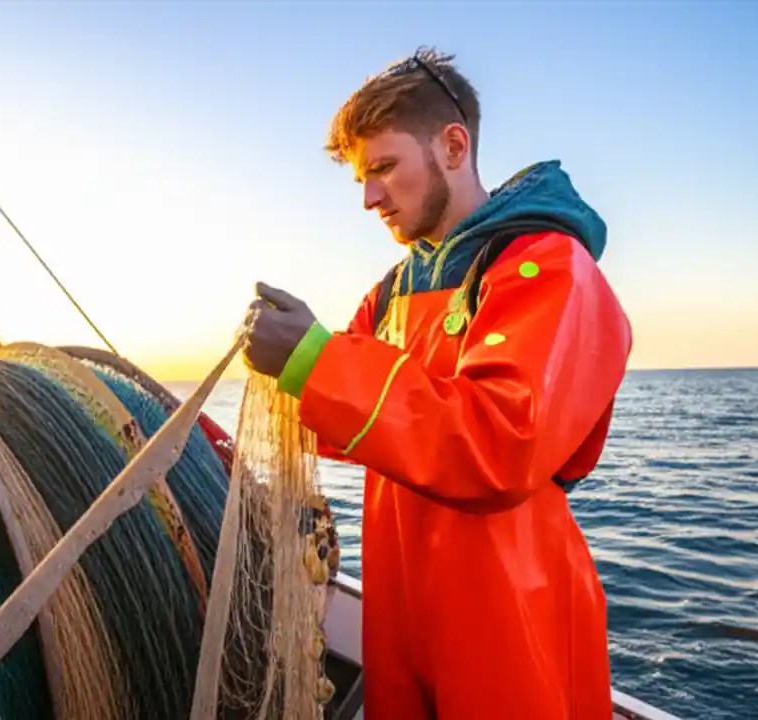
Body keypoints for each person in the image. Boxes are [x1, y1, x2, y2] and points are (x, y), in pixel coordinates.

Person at [243, 47, 632, 719]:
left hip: (509, 610)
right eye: (363, 178)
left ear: (453, 146)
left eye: (385, 168)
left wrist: (311, 358)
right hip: (401, 607)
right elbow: (349, 421)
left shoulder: (549, 267)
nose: (369, 198)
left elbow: (498, 442)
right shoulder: (392, 291)